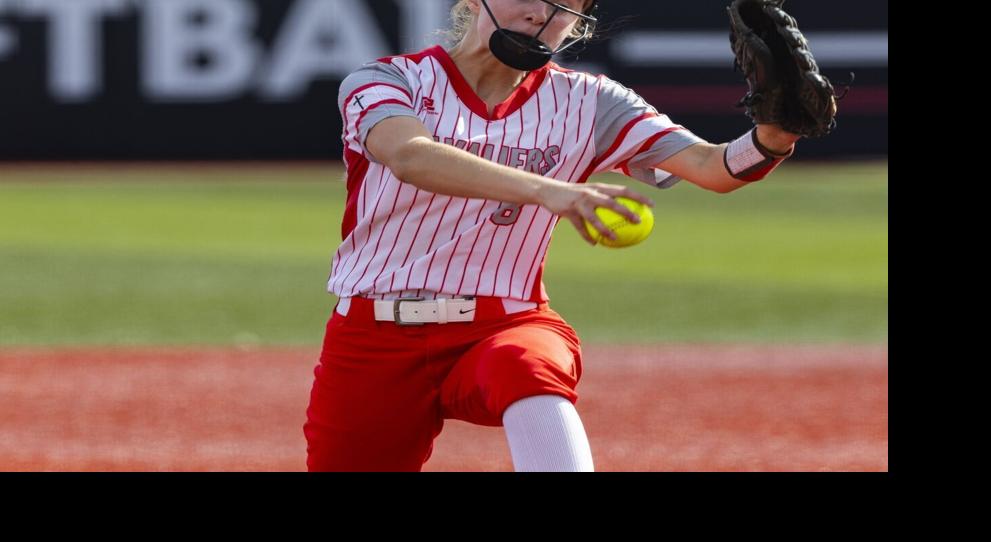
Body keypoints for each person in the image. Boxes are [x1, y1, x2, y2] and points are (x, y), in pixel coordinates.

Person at [303, 0, 830, 471]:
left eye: (565, 6)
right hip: (372, 336)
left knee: (527, 367)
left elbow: (712, 166)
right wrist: (552, 191)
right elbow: (409, 156)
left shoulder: (591, 101)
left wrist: (773, 137)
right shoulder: (390, 80)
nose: (542, 14)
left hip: (503, 322)